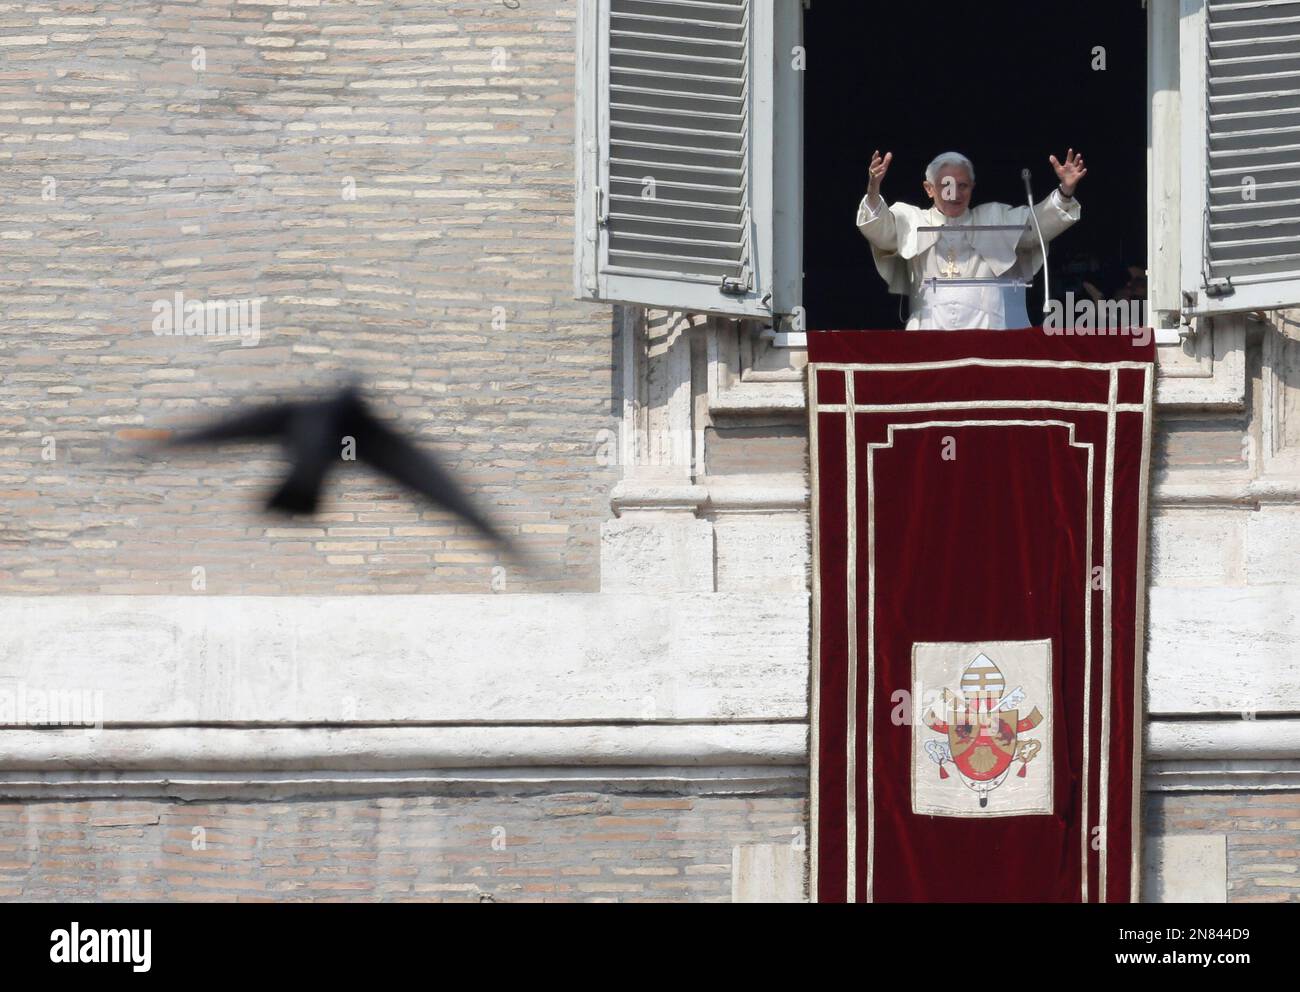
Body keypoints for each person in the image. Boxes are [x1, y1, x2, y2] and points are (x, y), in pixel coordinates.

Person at [857, 149, 1087, 329]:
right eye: (946, 185)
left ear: (972, 187)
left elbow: (1035, 227)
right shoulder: (912, 219)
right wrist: (873, 190)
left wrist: (1065, 192)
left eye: (962, 185)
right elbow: (881, 231)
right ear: (929, 188)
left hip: (987, 334)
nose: (954, 193)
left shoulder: (992, 217)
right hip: (928, 332)